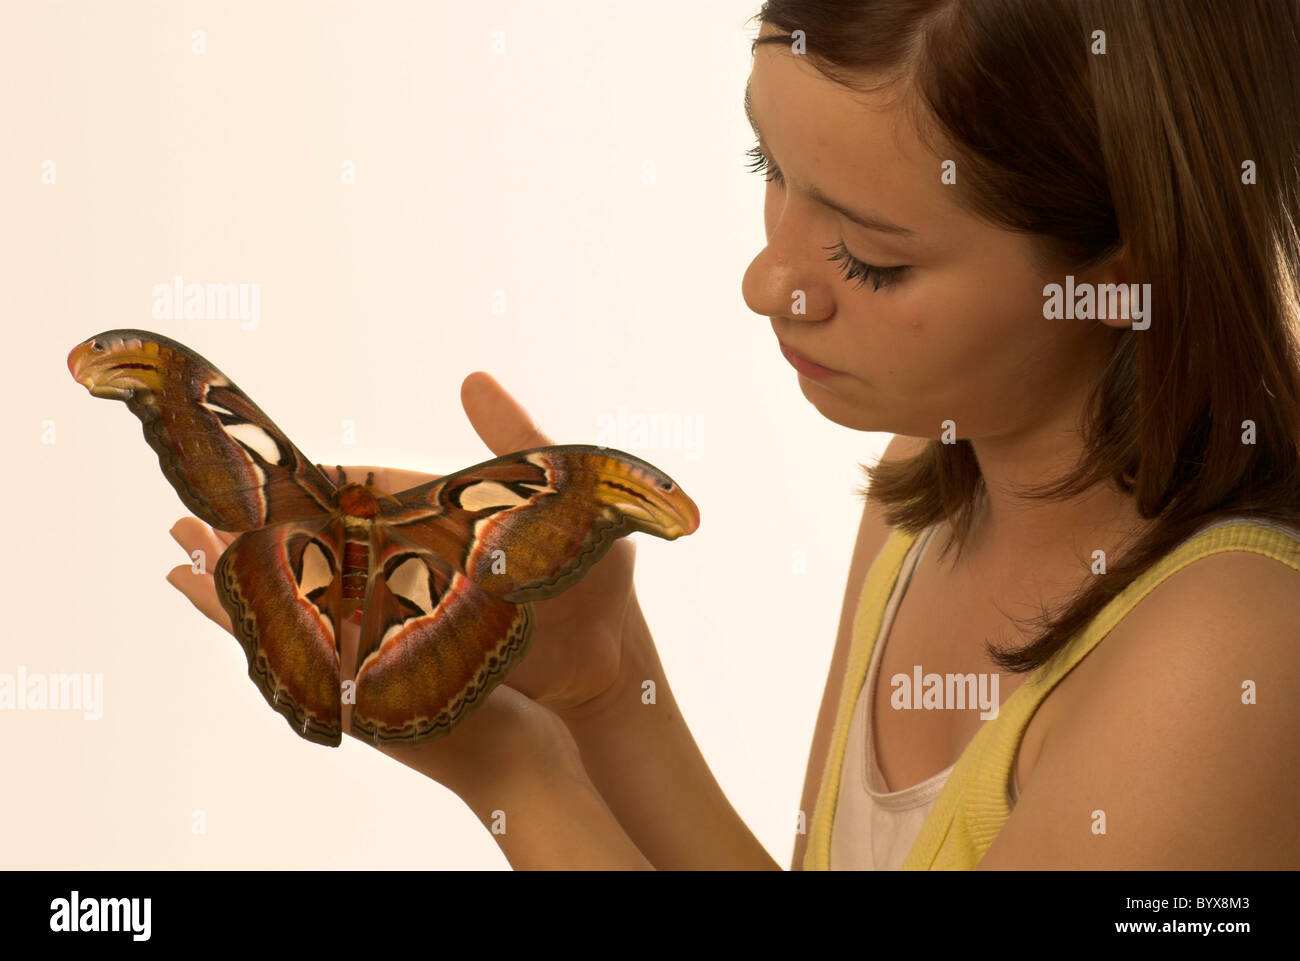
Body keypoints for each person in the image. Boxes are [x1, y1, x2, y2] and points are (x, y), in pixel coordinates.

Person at [167, 0, 1300, 869]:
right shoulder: (932, 488)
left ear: (1120, 267)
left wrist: (516, 775)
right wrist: (608, 689)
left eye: (869, 257)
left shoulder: (1228, 667)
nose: (767, 282)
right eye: (771, 171)